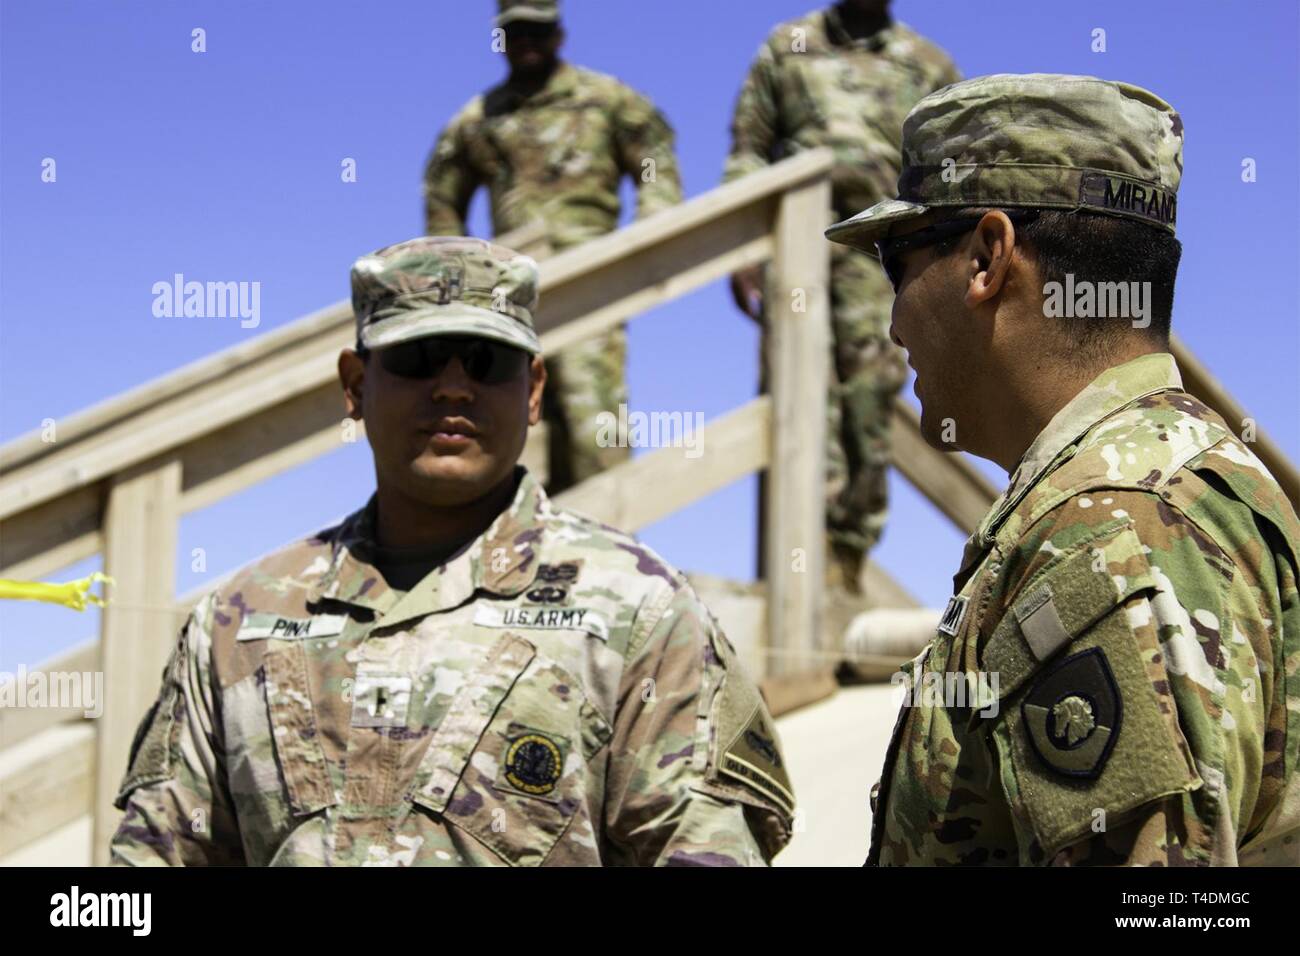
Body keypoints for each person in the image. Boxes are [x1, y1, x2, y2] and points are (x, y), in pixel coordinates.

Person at [109, 236, 793, 866]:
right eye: (417, 357)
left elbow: (705, 851)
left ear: (532, 391)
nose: (454, 386)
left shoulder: (638, 610)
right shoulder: (239, 620)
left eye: (487, 361)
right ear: (354, 385)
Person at [825, 73, 1300, 865]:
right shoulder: (1165, 487)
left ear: (986, 256)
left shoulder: (1112, 528)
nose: (892, 317)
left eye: (895, 262)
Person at [723, 0, 960, 599]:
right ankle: (803, 561)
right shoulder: (788, 44)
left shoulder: (928, 63)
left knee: (869, 396)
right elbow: (749, 145)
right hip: (795, 239)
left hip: (879, 249)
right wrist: (742, 245)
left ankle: (847, 551)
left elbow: (955, 167)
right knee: (797, 391)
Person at [423, 0, 683, 493]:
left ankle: (604, 551)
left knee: (593, 423)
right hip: (512, 293)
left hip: (593, 278)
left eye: (537, 31)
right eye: (515, 32)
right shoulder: (480, 118)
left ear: (560, 35)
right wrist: (457, 274)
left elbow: (655, 156)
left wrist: (652, 230)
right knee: (519, 427)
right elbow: (442, 191)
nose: (526, 42)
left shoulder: (607, 99)